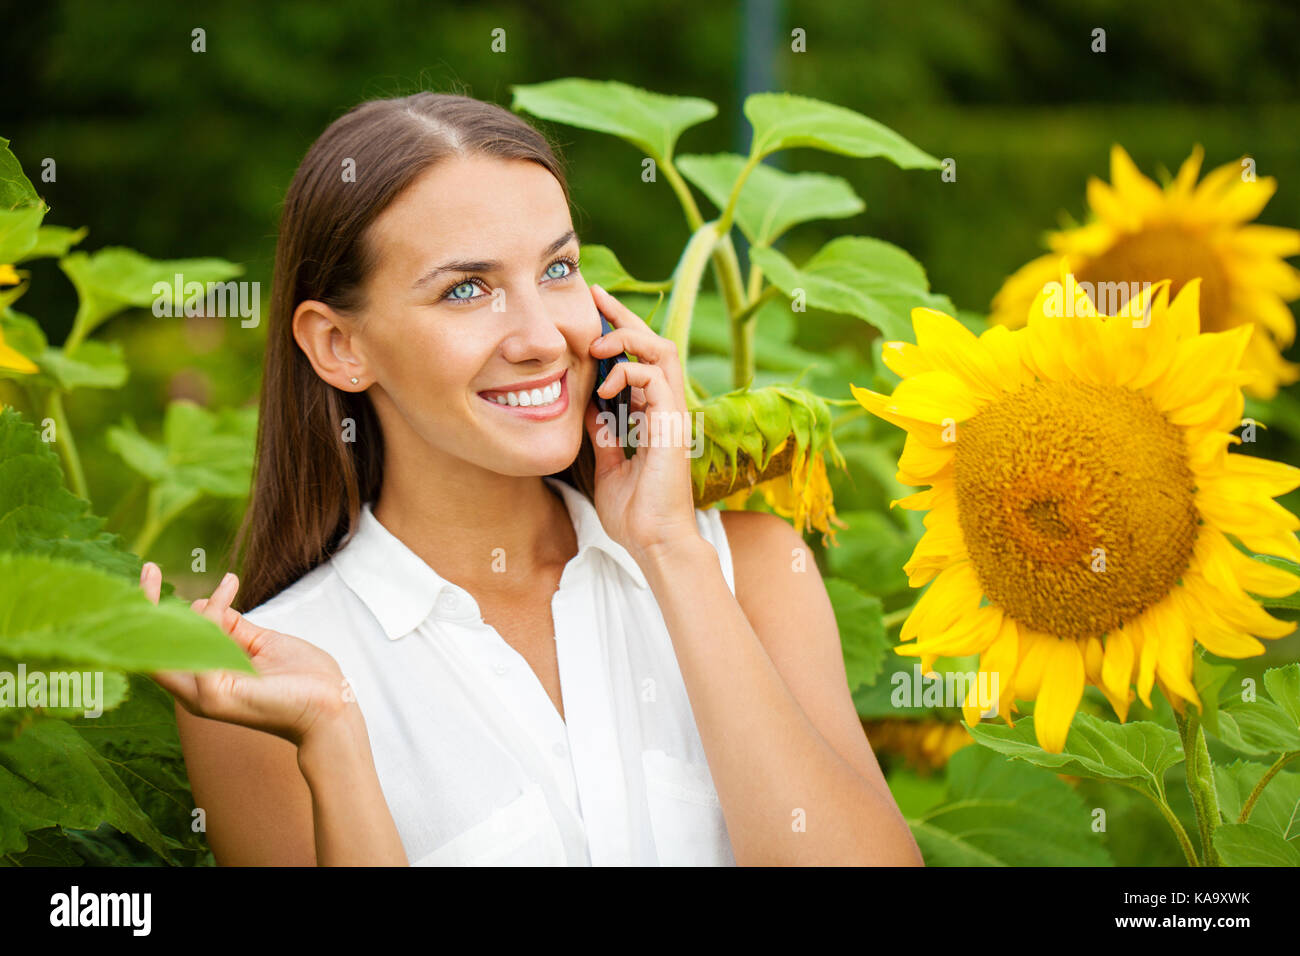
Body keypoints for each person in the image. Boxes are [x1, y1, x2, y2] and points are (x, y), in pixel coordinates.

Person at [138, 91, 923, 867]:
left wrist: (669, 546)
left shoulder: (750, 572)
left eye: (557, 269)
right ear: (340, 344)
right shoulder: (268, 682)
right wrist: (334, 738)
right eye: (466, 289)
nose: (543, 338)